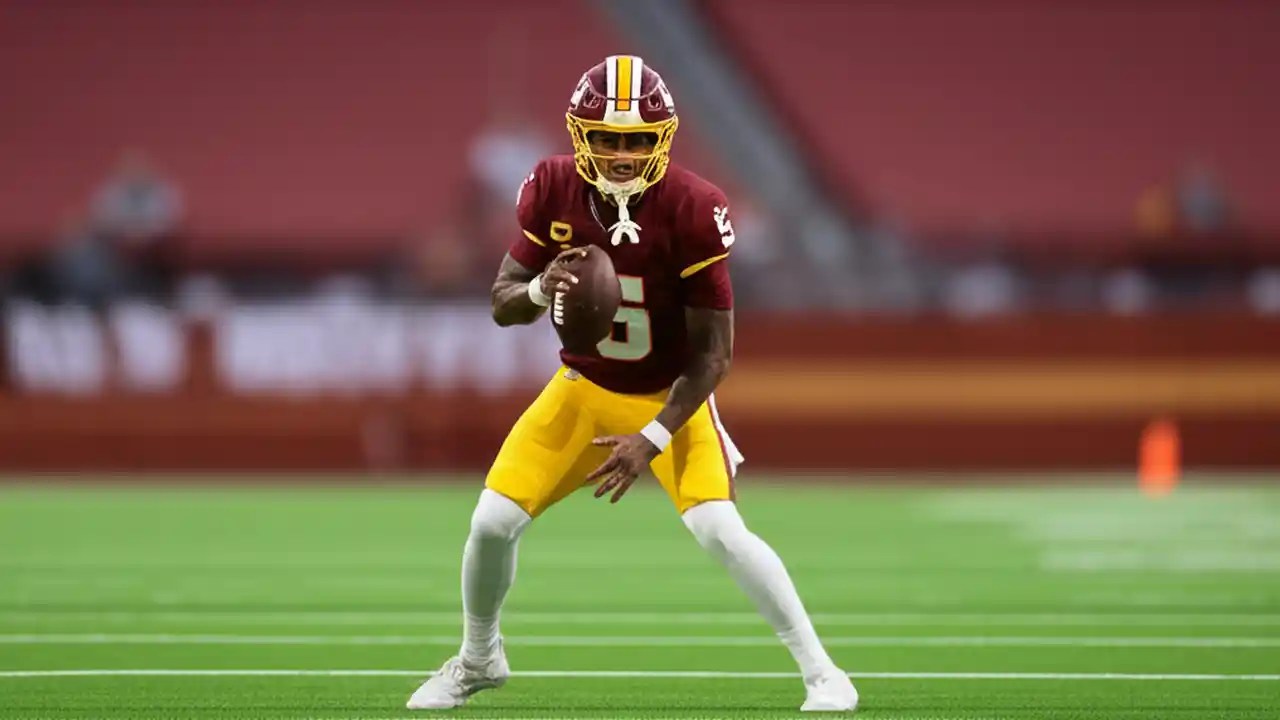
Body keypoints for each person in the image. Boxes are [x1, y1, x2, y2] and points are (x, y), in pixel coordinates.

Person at [406, 55, 857, 714]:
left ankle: (823, 672)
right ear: (580, 135)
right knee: (491, 523)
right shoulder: (551, 188)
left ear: (662, 141)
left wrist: (651, 437)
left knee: (720, 531)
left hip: (670, 395)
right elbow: (504, 302)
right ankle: (478, 657)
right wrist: (539, 287)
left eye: (637, 140)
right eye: (609, 138)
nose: (622, 154)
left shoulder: (695, 209)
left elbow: (713, 356)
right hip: (582, 386)